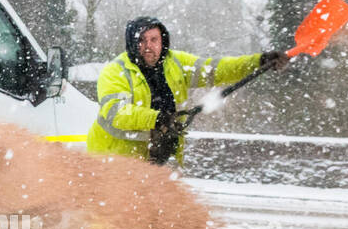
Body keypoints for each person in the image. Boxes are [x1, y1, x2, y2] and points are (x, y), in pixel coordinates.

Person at [87, 16, 290, 164]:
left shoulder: (176, 64)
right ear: (132, 42)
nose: (148, 46)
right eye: (141, 40)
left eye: (154, 39)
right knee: (113, 221)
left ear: (162, 41)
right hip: (112, 161)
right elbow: (117, 113)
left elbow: (217, 70)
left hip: (159, 159)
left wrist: (258, 62)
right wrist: (156, 119)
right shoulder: (115, 71)